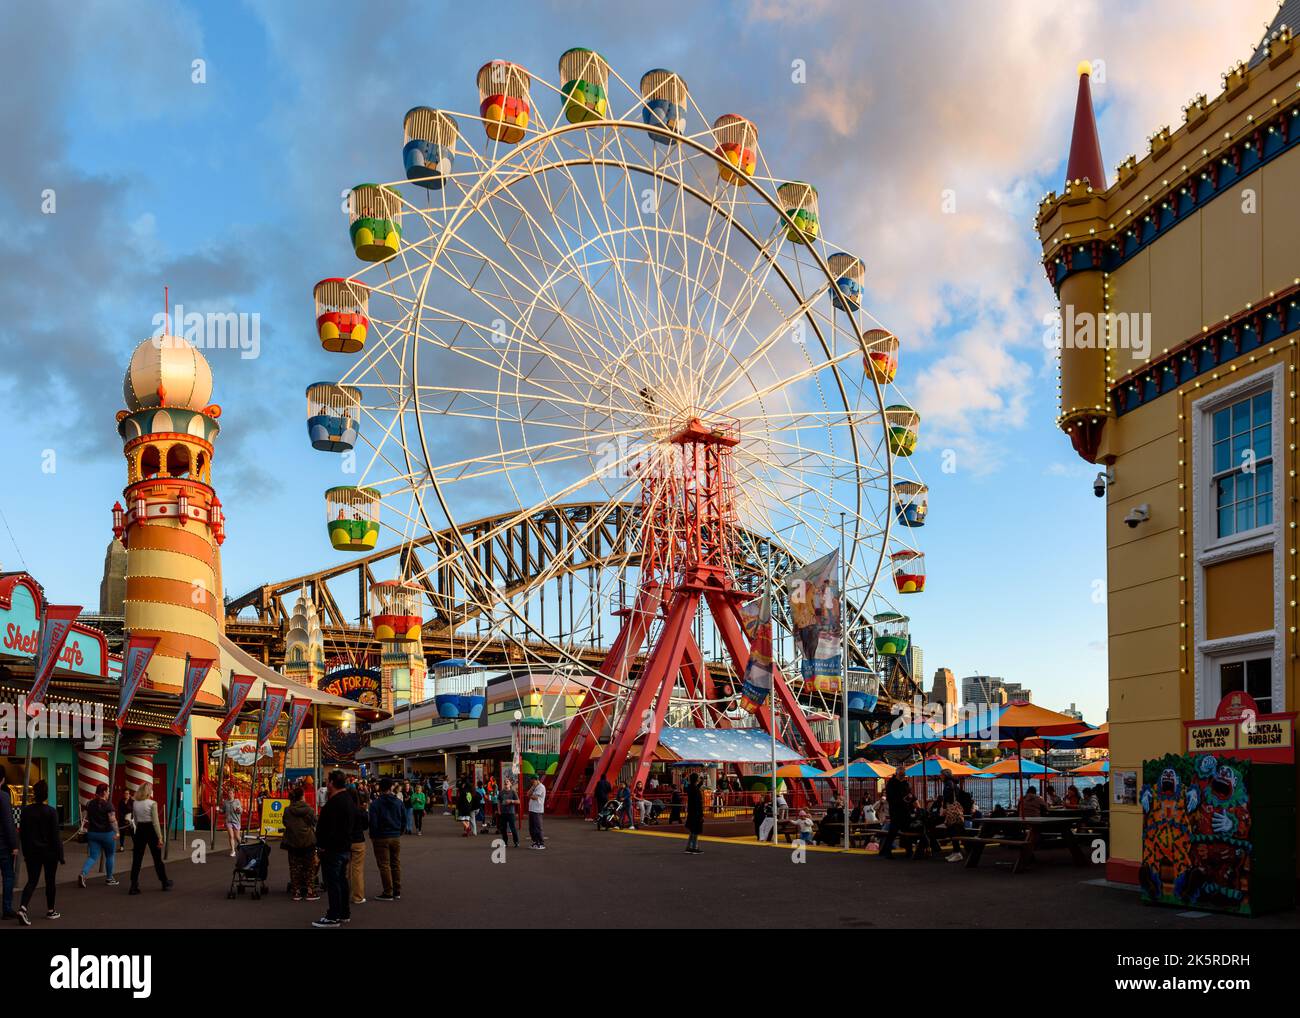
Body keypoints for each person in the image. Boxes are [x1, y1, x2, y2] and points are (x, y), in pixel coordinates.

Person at [17, 780, 63, 924]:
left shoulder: (25, 811)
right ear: (46, 794)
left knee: (32, 880)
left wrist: (25, 852)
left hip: (32, 852)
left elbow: (22, 834)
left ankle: (22, 908)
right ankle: (51, 910)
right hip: (49, 852)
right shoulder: (51, 811)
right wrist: (60, 855)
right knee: (50, 881)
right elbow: (56, 836)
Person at [314, 770, 354, 927]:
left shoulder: (334, 802)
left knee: (333, 882)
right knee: (342, 880)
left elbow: (329, 828)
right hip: (344, 847)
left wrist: (322, 846)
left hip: (333, 849)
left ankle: (333, 915)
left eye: (328, 781)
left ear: (331, 783)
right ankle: (344, 912)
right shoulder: (348, 799)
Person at [128, 783, 172, 895]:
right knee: (157, 858)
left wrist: (138, 830)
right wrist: (160, 837)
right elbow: (156, 822)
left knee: (137, 859)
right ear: (148, 791)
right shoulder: (152, 803)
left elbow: (136, 820)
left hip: (140, 830)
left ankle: (133, 884)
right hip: (151, 830)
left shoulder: (135, 803)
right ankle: (164, 881)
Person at [281, 785, 319, 902]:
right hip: (308, 841)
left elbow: (285, 823)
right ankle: (310, 891)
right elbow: (314, 822)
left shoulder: (288, 810)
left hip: (292, 841)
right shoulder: (309, 810)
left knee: (294, 867)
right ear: (302, 797)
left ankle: (296, 891)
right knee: (309, 867)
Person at [368, 777, 404, 901]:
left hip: (381, 837)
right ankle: (397, 890)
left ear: (380, 788)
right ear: (391, 787)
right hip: (395, 835)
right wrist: (400, 831)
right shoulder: (398, 802)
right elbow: (403, 819)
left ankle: (388, 891)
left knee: (384, 865)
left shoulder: (375, 804)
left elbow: (373, 822)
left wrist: (373, 836)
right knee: (396, 863)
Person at [78, 782, 119, 887]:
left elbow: (85, 817)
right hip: (107, 834)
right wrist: (117, 832)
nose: (109, 793)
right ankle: (109, 878)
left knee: (92, 856)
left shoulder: (89, 803)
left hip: (92, 833)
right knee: (109, 855)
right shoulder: (108, 805)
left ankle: (83, 874)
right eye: (108, 791)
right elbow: (112, 820)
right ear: (104, 792)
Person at [879, 765, 915, 859]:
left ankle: (909, 851)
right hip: (895, 811)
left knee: (906, 831)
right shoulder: (891, 783)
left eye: (903, 775)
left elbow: (910, 794)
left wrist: (910, 798)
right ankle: (887, 852)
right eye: (901, 774)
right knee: (893, 832)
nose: (902, 776)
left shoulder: (906, 783)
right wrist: (903, 799)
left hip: (905, 811)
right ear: (897, 773)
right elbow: (891, 798)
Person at [0, 768, 17, 920]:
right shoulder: (4, 797)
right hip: (3, 845)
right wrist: (14, 845)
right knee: (8, 877)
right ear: (2, 779)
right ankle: (6, 908)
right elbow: (8, 823)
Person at [347, 783, 367, 905]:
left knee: (345, 869)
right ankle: (358, 896)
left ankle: (344, 894)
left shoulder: (342, 811)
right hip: (358, 840)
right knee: (357, 870)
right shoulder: (360, 811)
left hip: (345, 841)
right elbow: (365, 825)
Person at [684, 772, 704, 854]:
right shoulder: (696, 790)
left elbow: (694, 788)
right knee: (696, 830)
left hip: (691, 811)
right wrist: (701, 814)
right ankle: (694, 847)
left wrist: (700, 784)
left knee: (692, 830)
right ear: (696, 779)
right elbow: (698, 803)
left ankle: (689, 847)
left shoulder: (690, 788)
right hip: (696, 812)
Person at [527, 776, 546, 849]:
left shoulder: (541, 787)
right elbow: (528, 794)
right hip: (532, 809)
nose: (532, 782)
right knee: (531, 827)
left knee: (538, 827)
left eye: (533, 781)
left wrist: (530, 794)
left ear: (537, 780)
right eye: (531, 781)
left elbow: (535, 797)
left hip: (537, 810)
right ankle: (535, 842)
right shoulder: (534, 787)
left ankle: (541, 843)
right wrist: (532, 787)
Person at [499, 781, 520, 848]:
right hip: (503, 813)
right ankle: (505, 843)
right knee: (503, 829)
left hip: (511, 813)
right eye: (505, 782)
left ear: (510, 784)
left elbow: (518, 801)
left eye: (507, 782)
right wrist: (499, 810)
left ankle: (516, 842)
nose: (506, 782)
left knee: (513, 828)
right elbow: (498, 801)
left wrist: (511, 801)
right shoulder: (501, 792)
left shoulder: (513, 792)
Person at [223, 789, 242, 856]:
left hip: (236, 821)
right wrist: (219, 810)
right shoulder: (225, 802)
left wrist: (238, 810)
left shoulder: (237, 801)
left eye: (231, 793)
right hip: (228, 821)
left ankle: (242, 846)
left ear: (233, 794)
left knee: (237, 836)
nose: (229, 794)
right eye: (229, 793)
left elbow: (240, 811)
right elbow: (223, 810)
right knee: (231, 836)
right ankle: (233, 851)